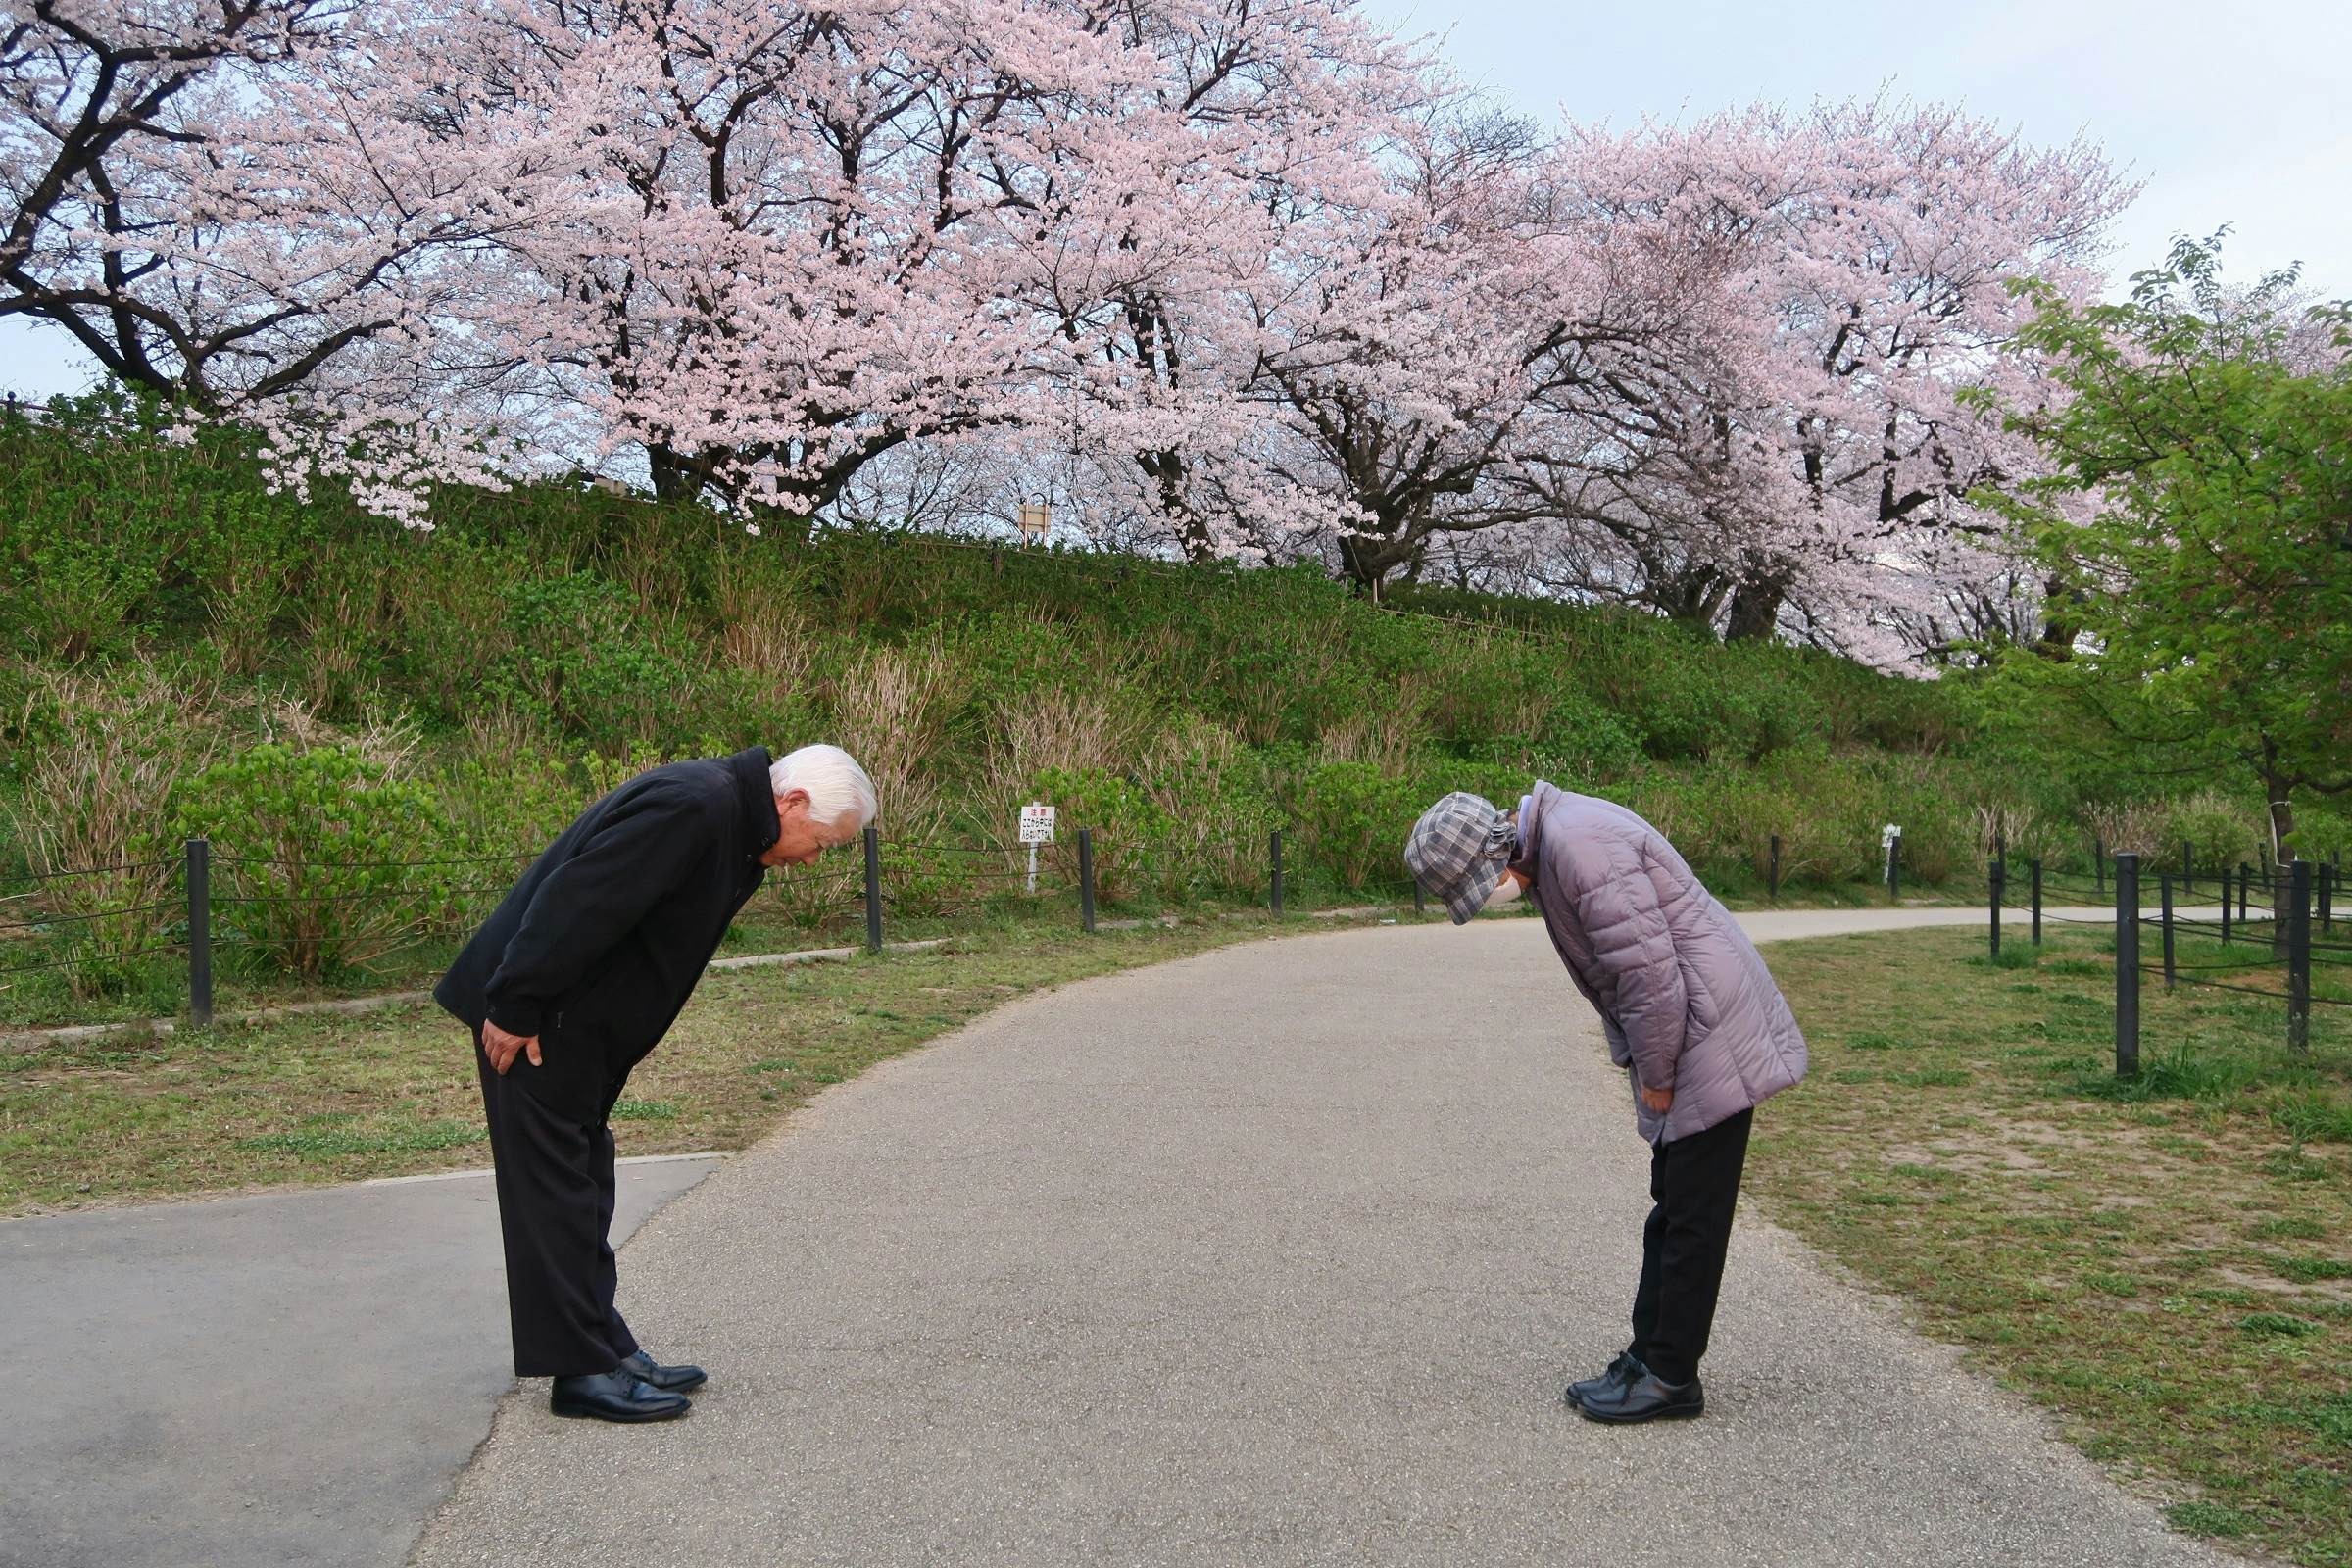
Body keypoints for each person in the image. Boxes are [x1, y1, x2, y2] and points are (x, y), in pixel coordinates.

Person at [435, 743, 877, 1422]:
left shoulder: (731, 822)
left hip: (575, 1028)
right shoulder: (697, 807)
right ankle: (580, 1374)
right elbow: (580, 898)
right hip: (537, 1024)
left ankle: (605, 1345)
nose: (814, 859)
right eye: (820, 842)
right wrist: (516, 1003)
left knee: (582, 1181)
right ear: (790, 803)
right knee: (553, 1194)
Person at [1404, 783, 1806, 1425]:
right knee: (1673, 1205)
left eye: (1482, 884)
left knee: (1692, 1216)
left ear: (1495, 853)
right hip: (1696, 1027)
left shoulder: (1579, 848)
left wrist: (1656, 1075)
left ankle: (1672, 1377)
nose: (1496, 896)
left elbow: (1648, 975)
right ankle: (1648, 1357)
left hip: (1708, 1031)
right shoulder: (1556, 843)